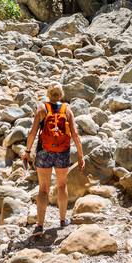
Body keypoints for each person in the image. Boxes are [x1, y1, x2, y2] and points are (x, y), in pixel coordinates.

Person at [25, 85, 85, 235]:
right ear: (61, 95)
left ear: (48, 94)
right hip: (62, 152)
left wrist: (27, 151)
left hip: (44, 152)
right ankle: (63, 220)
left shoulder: (41, 109)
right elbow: (75, 134)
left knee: (43, 189)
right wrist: (80, 155)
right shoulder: (67, 110)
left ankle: (39, 225)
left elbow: (32, 133)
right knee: (62, 186)